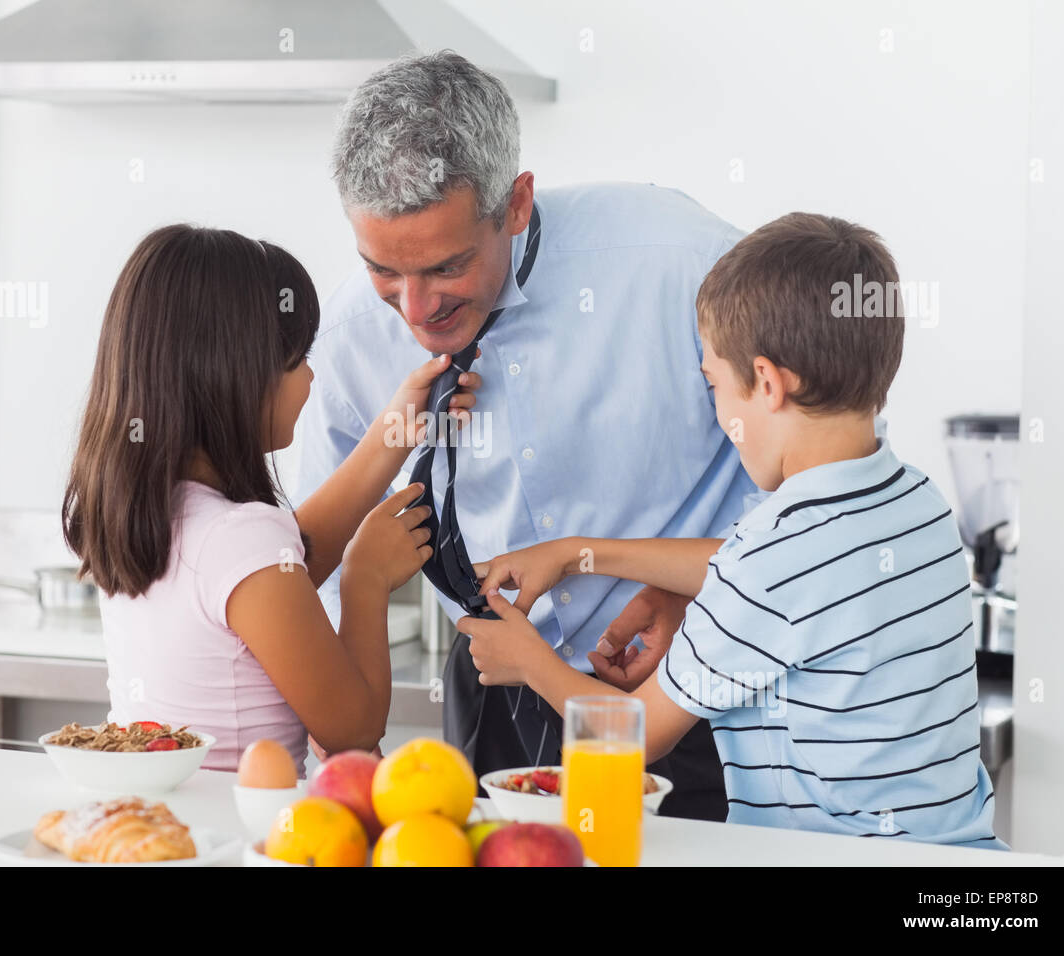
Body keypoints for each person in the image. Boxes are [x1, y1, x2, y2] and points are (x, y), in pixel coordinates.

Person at [293, 50, 758, 820]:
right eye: (382, 270)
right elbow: (314, 563)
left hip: (693, 684)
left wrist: (700, 597)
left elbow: (817, 465)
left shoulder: (684, 263)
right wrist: (346, 743)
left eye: (446, 267)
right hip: (492, 691)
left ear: (514, 204)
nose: (414, 309)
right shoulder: (348, 338)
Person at [465, 213, 1004, 847]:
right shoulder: (916, 500)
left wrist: (529, 662)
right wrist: (577, 554)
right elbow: (760, 565)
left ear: (768, 383)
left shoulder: (775, 560)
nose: (719, 410)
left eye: (714, 385)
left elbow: (635, 734)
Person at [61, 223, 480, 776]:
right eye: (296, 358)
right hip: (249, 835)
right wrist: (365, 579)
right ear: (235, 375)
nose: (310, 375)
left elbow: (279, 565)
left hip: (163, 822)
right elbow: (353, 728)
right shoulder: (241, 539)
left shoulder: (150, 514)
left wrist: (394, 430)